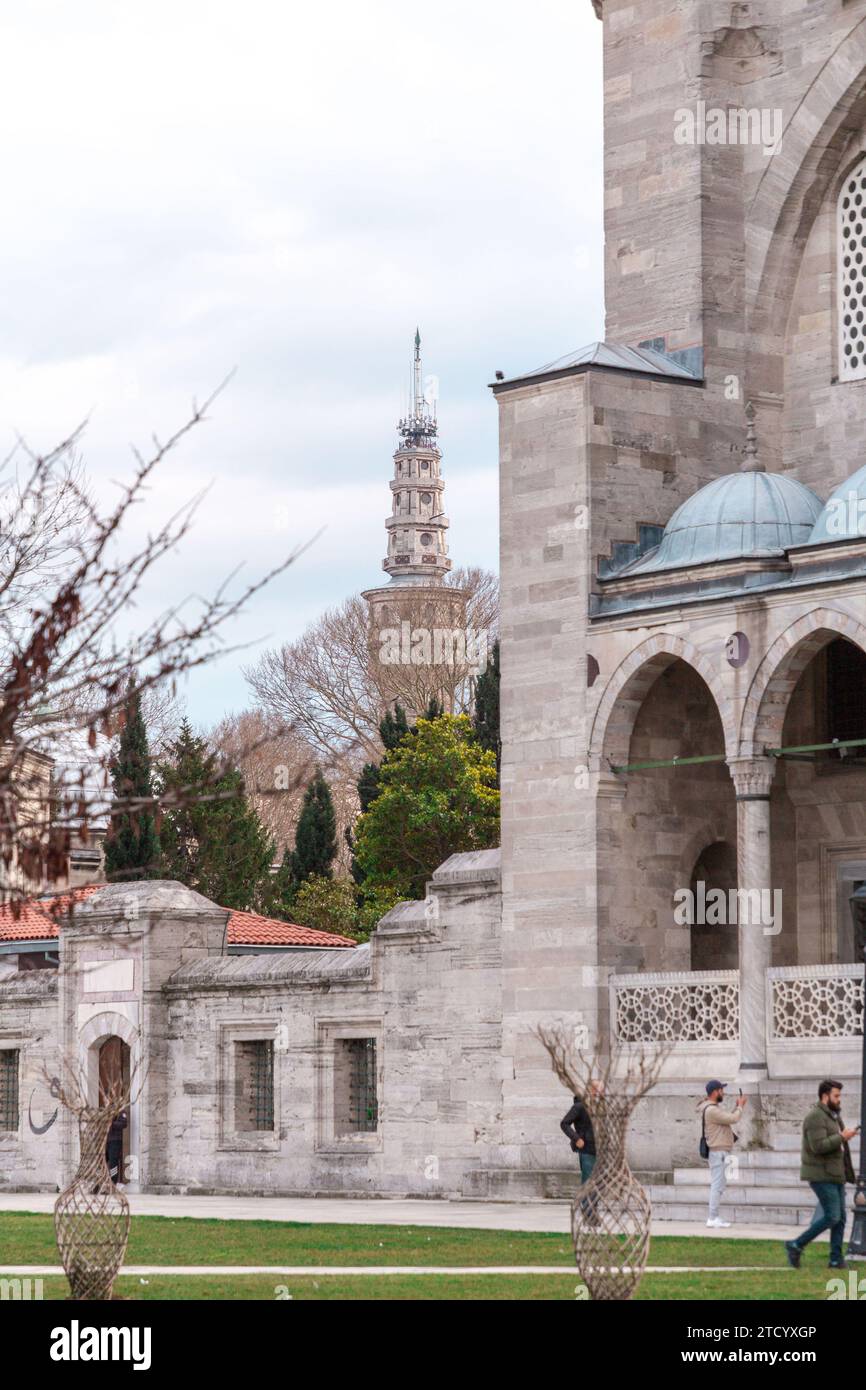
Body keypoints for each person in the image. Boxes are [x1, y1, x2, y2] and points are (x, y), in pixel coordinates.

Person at [784, 1080, 858, 1270]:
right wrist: (842, 1137)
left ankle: (835, 1259)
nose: (839, 1100)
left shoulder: (832, 1116)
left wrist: (845, 1135)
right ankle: (796, 1245)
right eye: (836, 1096)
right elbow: (818, 1146)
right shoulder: (815, 1117)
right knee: (832, 1216)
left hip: (834, 1174)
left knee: (840, 1218)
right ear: (825, 1096)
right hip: (820, 1175)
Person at [697, 1080, 747, 1228]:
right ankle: (712, 1218)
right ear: (714, 1092)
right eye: (721, 1090)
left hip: (722, 1152)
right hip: (718, 1153)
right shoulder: (711, 1110)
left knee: (720, 1185)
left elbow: (727, 1119)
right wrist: (740, 1106)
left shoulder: (713, 1108)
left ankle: (715, 1216)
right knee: (717, 1186)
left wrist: (736, 1107)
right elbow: (733, 1119)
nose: (723, 1092)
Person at [106, 1109, 128, 1187]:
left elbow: (123, 1123)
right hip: (105, 1141)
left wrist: (111, 1124)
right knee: (101, 1162)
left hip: (115, 1140)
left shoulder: (120, 1110)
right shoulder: (106, 1111)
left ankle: (113, 1182)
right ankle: (102, 1182)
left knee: (113, 1162)